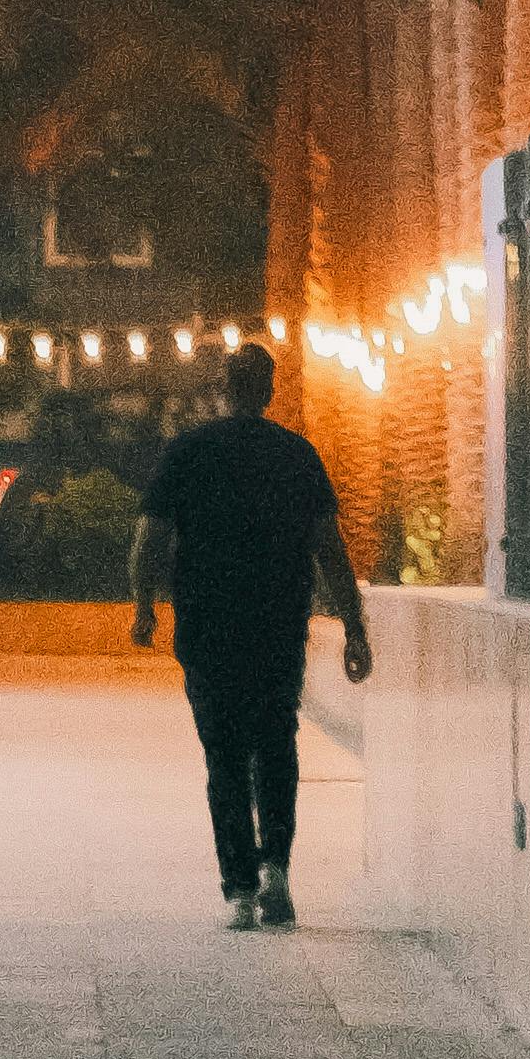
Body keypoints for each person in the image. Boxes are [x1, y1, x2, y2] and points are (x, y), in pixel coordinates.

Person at [129, 338, 370, 926]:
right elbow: (330, 550)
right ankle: (277, 874)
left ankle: (238, 889)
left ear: (223, 386)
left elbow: (149, 542)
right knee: (275, 742)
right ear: (269, 390)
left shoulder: (187, 453)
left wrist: (143, 606)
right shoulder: (296, 456)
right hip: (277, 625)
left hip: (208, 624)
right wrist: (355, 628)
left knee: (225, 752)